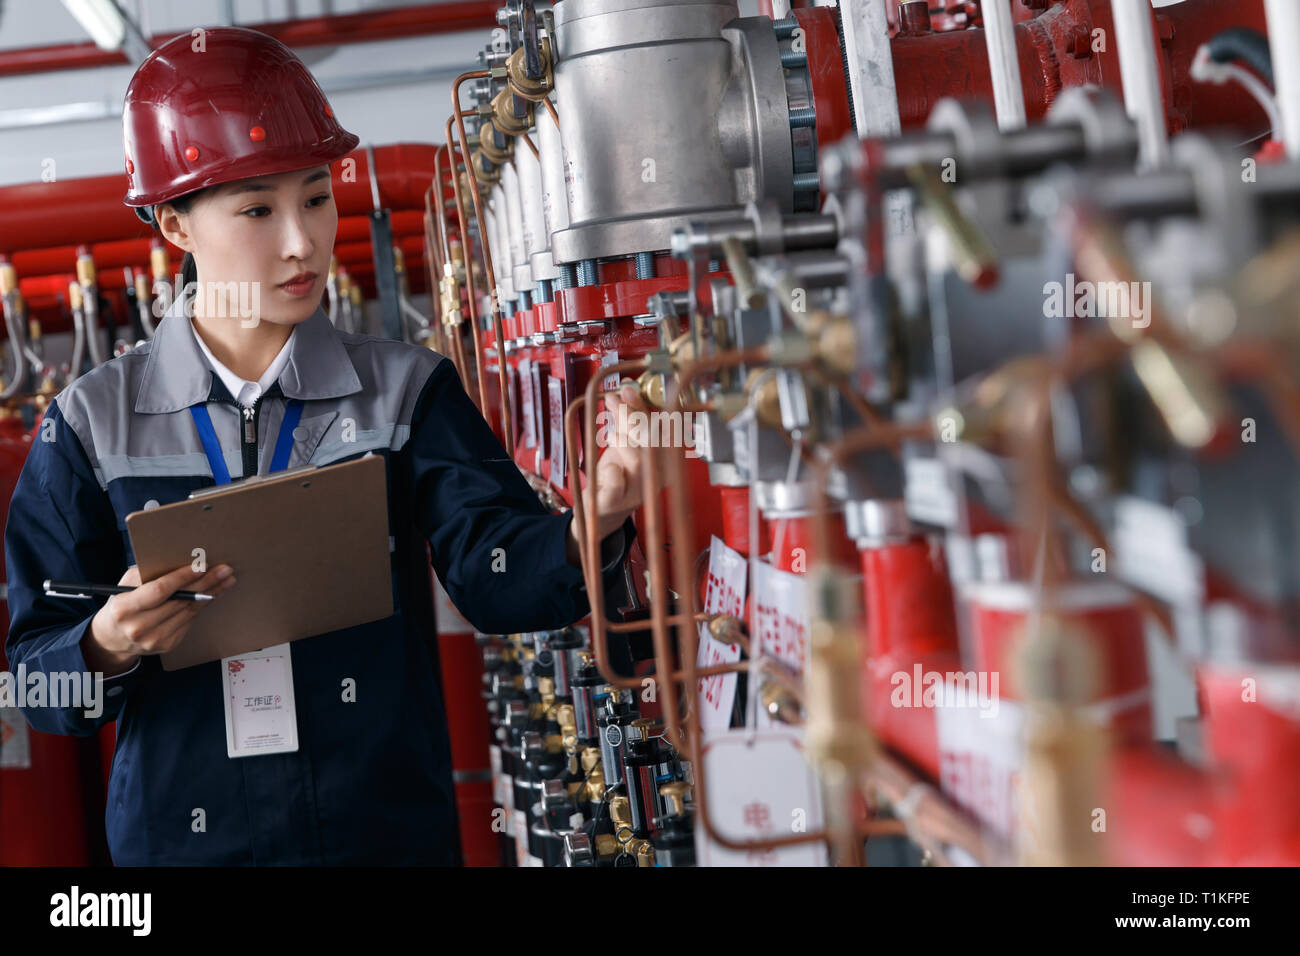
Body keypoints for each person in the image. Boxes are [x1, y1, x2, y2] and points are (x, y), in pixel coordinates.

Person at [3, 27, 645, 865]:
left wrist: (588, 523)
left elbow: (497, 574)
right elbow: (33, 675)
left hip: (381, 835)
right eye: (258, 210)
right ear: (173, 226)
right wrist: (106, 642)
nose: (303, 241)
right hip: (186, 846)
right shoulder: (89, 426)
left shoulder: (406, 393)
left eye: (315, 196)